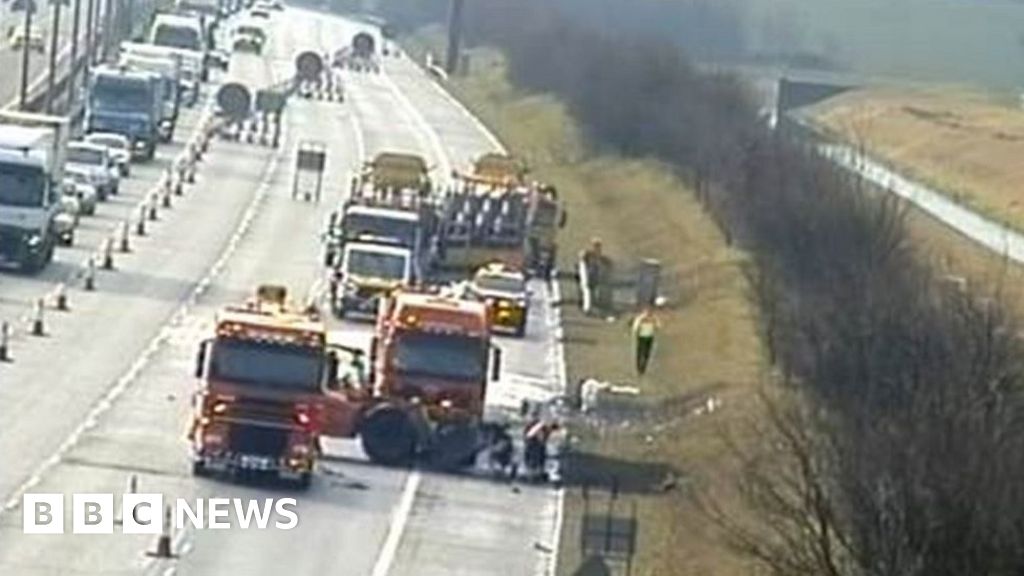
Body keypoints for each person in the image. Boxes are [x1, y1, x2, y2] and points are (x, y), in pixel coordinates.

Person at [631, 307, 661, 377]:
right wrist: (636, 333)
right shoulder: (640, 318)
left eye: (649, 312)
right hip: (641, 337)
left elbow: (658, 326)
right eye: (646, 312)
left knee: (647, 353)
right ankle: (639, 367)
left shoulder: (653, 319)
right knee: (640, 352)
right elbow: (635, 327)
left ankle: (643, 368)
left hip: (649, 337)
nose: (648, 314)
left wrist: (655, 323)